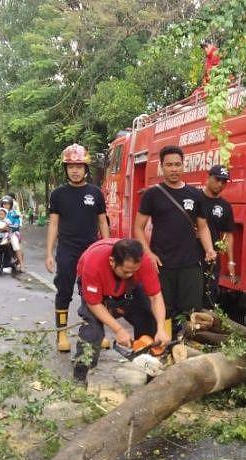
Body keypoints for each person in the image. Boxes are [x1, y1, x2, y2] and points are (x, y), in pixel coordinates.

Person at [134, 145, 216, 336]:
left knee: (192, 311)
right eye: (169, 165)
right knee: (165, 310)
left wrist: (209, 249)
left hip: (190, 263)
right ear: (162, 167)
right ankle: (167, 344)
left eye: (178, 165)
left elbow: (202, 227)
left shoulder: (196, 195)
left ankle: (187, 346)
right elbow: (138, 227)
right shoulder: (152, 194)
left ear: (183, 166)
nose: (174, 169)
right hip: (162, 264)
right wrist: (148, 254)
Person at [71, 238, 170, 383]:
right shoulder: (93, 262)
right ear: (112, 262)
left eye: (135, 271)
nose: (131, 274)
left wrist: (161, 328)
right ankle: (79, 377)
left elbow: (155, 296)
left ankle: (151, 375)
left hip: (128, 289)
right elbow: (94, 304)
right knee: (92, 330)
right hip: (96, 292)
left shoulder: (144, 261)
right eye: (126, 271)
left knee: (147, 319)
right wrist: (118, 329)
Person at [45, 144, 110, 353]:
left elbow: (103, 223)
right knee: (64, 290)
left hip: (91, 251)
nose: (75, 170)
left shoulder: (96, 193)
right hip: (67, 251)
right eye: (71, 166)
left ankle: (96, 333)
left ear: (86, 168)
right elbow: (54, 224)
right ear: (66, 169)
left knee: (92, 292)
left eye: (79, 166)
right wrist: (49, 253)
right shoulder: (57, 195)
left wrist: (108, 248)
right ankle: (61, 333)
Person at [200, 165, 237, 306]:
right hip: (192, 255)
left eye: (224, 182)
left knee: (210, 294)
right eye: (217, 180)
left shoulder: (225, 206)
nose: (220, 184)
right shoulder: (196, 199)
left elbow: (228, 234)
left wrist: (231, 261)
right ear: (208, 178)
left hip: (212, 259)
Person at [0, 195, 25, 272]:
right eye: (4, 204)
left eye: (7, 204)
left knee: (15, 245)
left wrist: (14, 225)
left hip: (12, 233)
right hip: (0, 233)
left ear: (11, 204)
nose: (5, 205)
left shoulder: (14, 213)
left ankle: (22, 265)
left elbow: (17, 222)